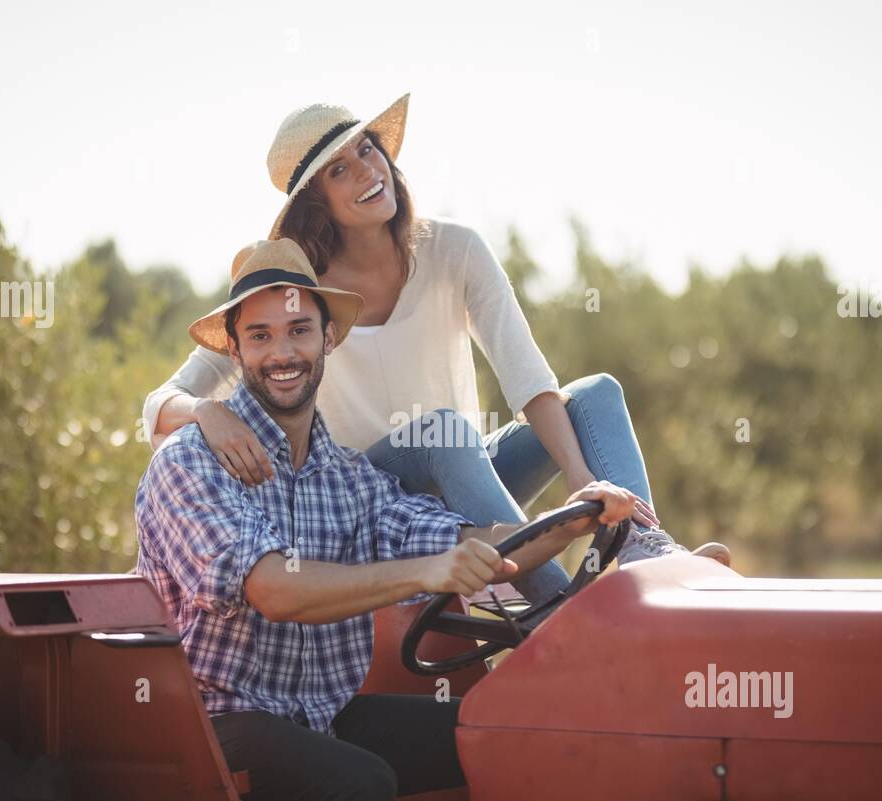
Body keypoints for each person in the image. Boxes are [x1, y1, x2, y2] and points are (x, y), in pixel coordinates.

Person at [134, 238, 640, 801]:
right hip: (208, 727)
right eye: (261, 336)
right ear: (234, 350)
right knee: (360, 784)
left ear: (328, 340)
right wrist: (423, 572)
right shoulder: (190, 463)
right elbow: (274, 590)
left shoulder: (348, 478)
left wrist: (573, 522)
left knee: (504, 732)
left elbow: (468, 543)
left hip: (319, 716)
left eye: (299, 330)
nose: (283, 352)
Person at [142, 93, 728, 609]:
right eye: (339, 171)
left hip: (465, 472)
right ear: (316, 203)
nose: (367, 172)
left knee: (595, 392)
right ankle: (560, 612)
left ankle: (645, 559)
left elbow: (528, 379)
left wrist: (585, 489)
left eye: (367, 150)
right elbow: (163, 399)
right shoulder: (300, 296)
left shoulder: (455, 249)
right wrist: (206, 412)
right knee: (441, 431)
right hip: (371, 500)